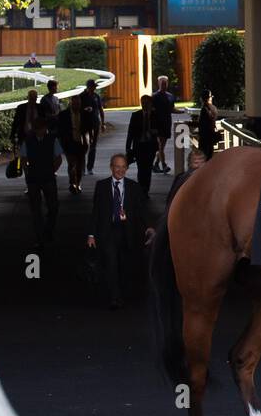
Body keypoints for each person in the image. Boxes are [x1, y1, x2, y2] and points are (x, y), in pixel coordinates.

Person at [87, 154, 153, 308]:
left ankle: (123, 291)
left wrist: (149, 226)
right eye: (117, 166)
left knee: (124, 263)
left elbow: (141, 210)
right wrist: (91, 234)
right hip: (108, 230)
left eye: (124, 167)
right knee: (111, 262)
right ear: (111, 167)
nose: (120, 170)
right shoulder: (101, 186)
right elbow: (95, 212)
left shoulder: (134, 187)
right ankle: (115, 297)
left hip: (127, 231)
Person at [20, 116, 62, 247]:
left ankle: (43, 234)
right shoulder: (51, 140)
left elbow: (23, 158)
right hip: (43, 176)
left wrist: (28, 172)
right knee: (48, 207)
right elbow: (58, 158)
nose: (40, 130)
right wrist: (52, 170)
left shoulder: (29, 141)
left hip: (37, 177)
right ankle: (44, 234)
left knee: (42, 208)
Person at [126, 94, 159, 196]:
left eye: (146, 103)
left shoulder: (155, 115)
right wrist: (128, 147)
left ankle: (146, 189)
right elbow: (130, 132)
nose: (144, 105)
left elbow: (160, 129)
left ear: (150, 104)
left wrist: (154, 131)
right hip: (139, 145)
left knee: (148, 168)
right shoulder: (135, 115)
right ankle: (141, 188)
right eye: (142, 103)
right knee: (141, 168)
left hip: (150, 145)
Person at [57, 98, 90, 195]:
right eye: (75, 104)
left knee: (79, 164)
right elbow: (60, 130)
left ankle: (78, 183)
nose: (77, 106)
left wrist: (89, 139)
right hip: (69, 143)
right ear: (71, 104)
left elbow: (88, 127)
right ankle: (72, 183)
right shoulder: (63, 115)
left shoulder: (84, 114)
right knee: (71, 163)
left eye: (78, 104)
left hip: (81, 143)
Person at [166, 147, 206, 214]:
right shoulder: (183, 178)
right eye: (196, 163)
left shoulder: (208, 176)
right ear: (190, 164)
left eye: (202, 163)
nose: (199, 166)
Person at [77, 78, 105, 174]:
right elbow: (77, 110)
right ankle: (82, 168)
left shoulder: (96, 96)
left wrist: (103, 123)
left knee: (93, 146)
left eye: (94, 87)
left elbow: (100, 109)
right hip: (84, 124)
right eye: (92, 87)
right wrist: (85, 109)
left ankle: (90, 167)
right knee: (84, 146)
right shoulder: (81, 96)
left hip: (95, 123)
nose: (93, 89)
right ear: (88, 87)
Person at [151, 75, 176, 174]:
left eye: (165, 83)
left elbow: (172, 109)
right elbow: (151, 110)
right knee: (160, 145)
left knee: (162, 146)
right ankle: (164, 165)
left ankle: (156, 164)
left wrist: (181, 112)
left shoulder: (170, 96)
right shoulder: (154, 96)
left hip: (167, 123)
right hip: (158, 124)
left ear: (167, 84)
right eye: (162, 83)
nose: (164, 85)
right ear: (158, 84)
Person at [197, 90, 218, 161]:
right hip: (211, 135)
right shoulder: (213, 108)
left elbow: (201, 123)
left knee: (203, 156)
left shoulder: (204, 109)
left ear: (201, 99)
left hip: (204, 137)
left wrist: (189, 123)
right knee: (209, 156)